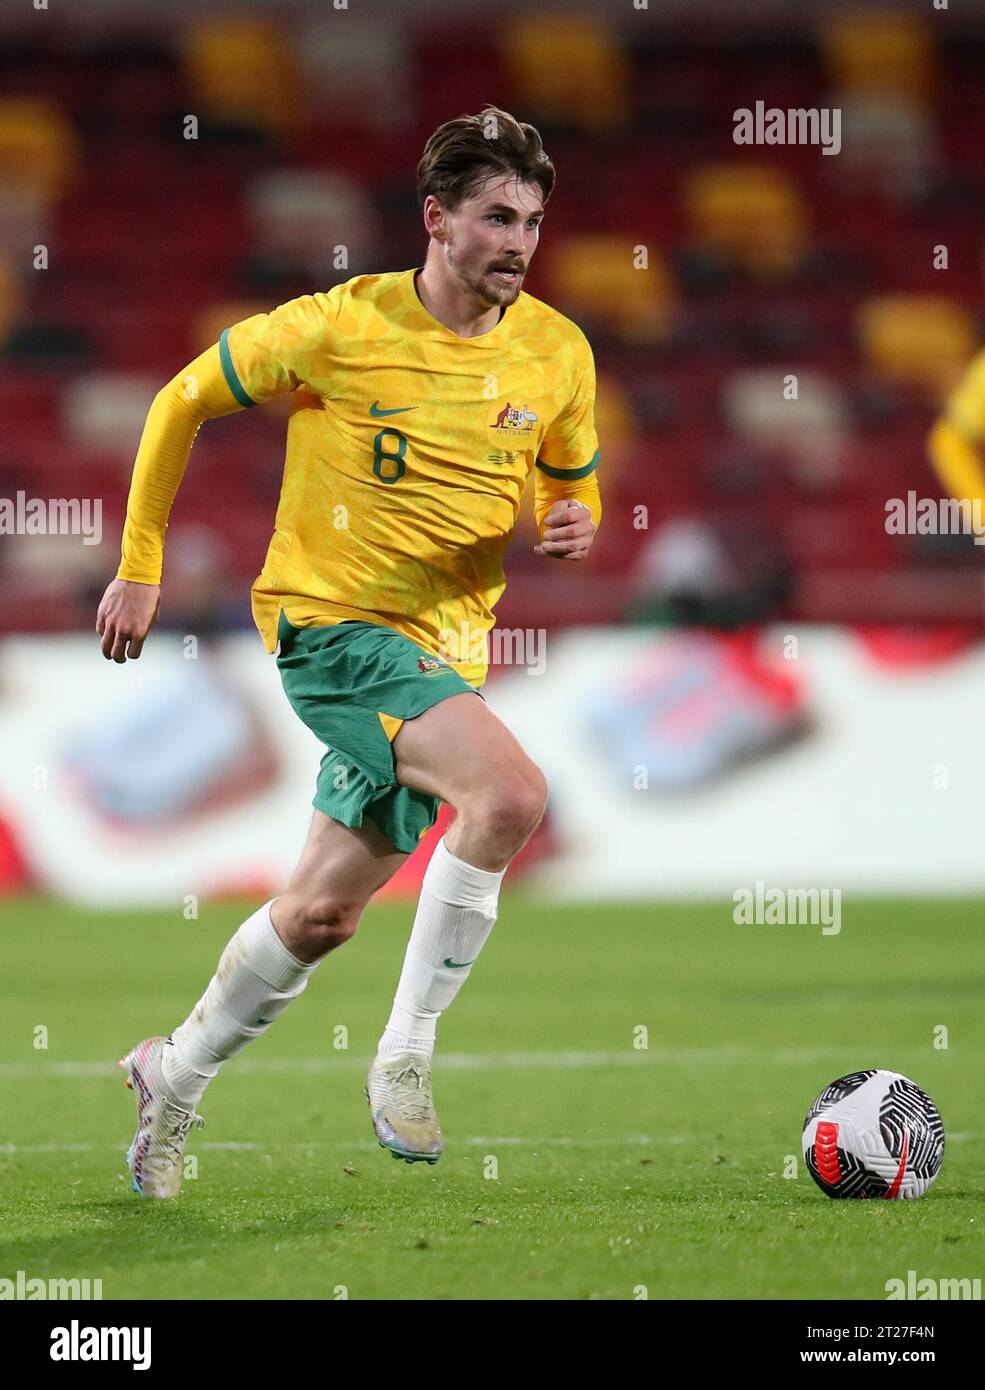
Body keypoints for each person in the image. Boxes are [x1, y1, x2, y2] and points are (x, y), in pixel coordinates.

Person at [96, 105, 601, 1198]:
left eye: (531, 221)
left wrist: (574, 515)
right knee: (511, 795)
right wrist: (140, 563)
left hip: (440, 657)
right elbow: (179, 399)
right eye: (495, 216)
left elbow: (570, 473)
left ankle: (168, 1078)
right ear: (435, 218)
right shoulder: (337, 326)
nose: (518, 240)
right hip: (331, 633)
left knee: (322, 914)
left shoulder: (558, 352)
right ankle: (405, 1055)